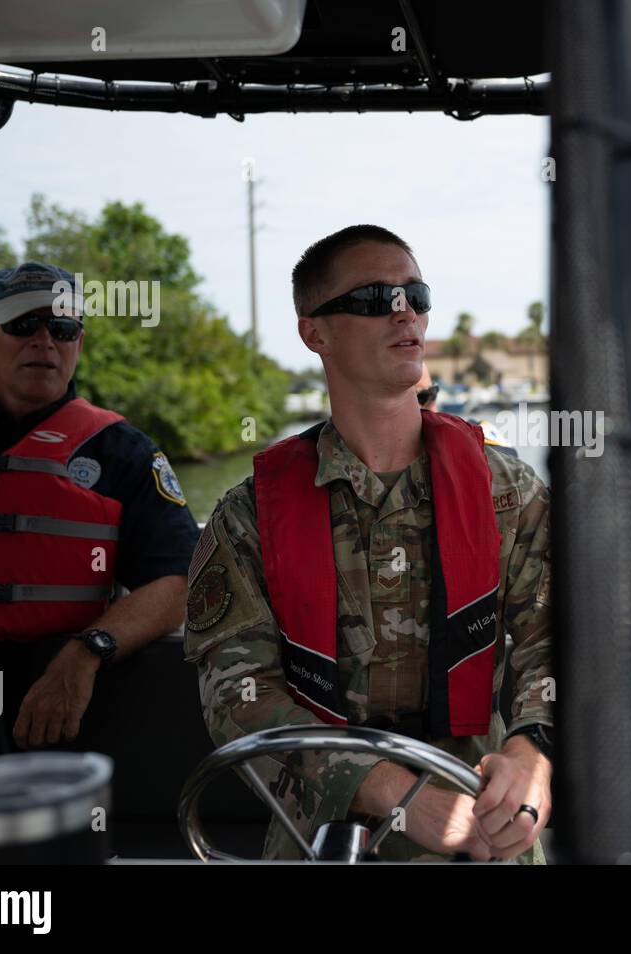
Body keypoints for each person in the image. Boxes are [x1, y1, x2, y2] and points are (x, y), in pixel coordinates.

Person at [184, 225, 553, 862]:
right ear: (314, 332)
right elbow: (238, 697)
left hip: (488, 829)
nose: (404, 310)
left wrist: (531, 752)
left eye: (416, 293)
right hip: (319, 837)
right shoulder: (247, 517)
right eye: (374, 298)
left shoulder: (507, 491)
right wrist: (398, 794)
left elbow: (556, 640)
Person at [0, 262, 199, 749]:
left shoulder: (122, 451)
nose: (45, 339)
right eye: (22, 324)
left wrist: (88, 651)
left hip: (57, 707)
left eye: (63, 327)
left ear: (78, 341)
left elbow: (179, 583)